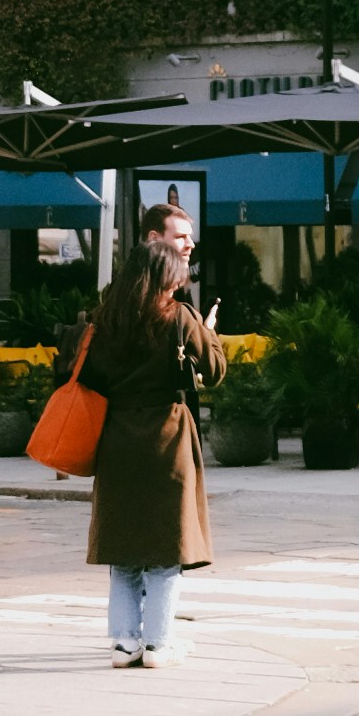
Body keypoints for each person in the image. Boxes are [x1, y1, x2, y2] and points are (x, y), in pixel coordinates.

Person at [84, 203, 224, 664]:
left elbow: (94, 377)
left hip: (118, 437)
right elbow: (215, 370)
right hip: (167, 439)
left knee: (123, 549)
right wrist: (210, 334)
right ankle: (160, 643)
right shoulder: (179, 316)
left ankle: (125, 642)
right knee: (166, 549)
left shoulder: (106, 317)